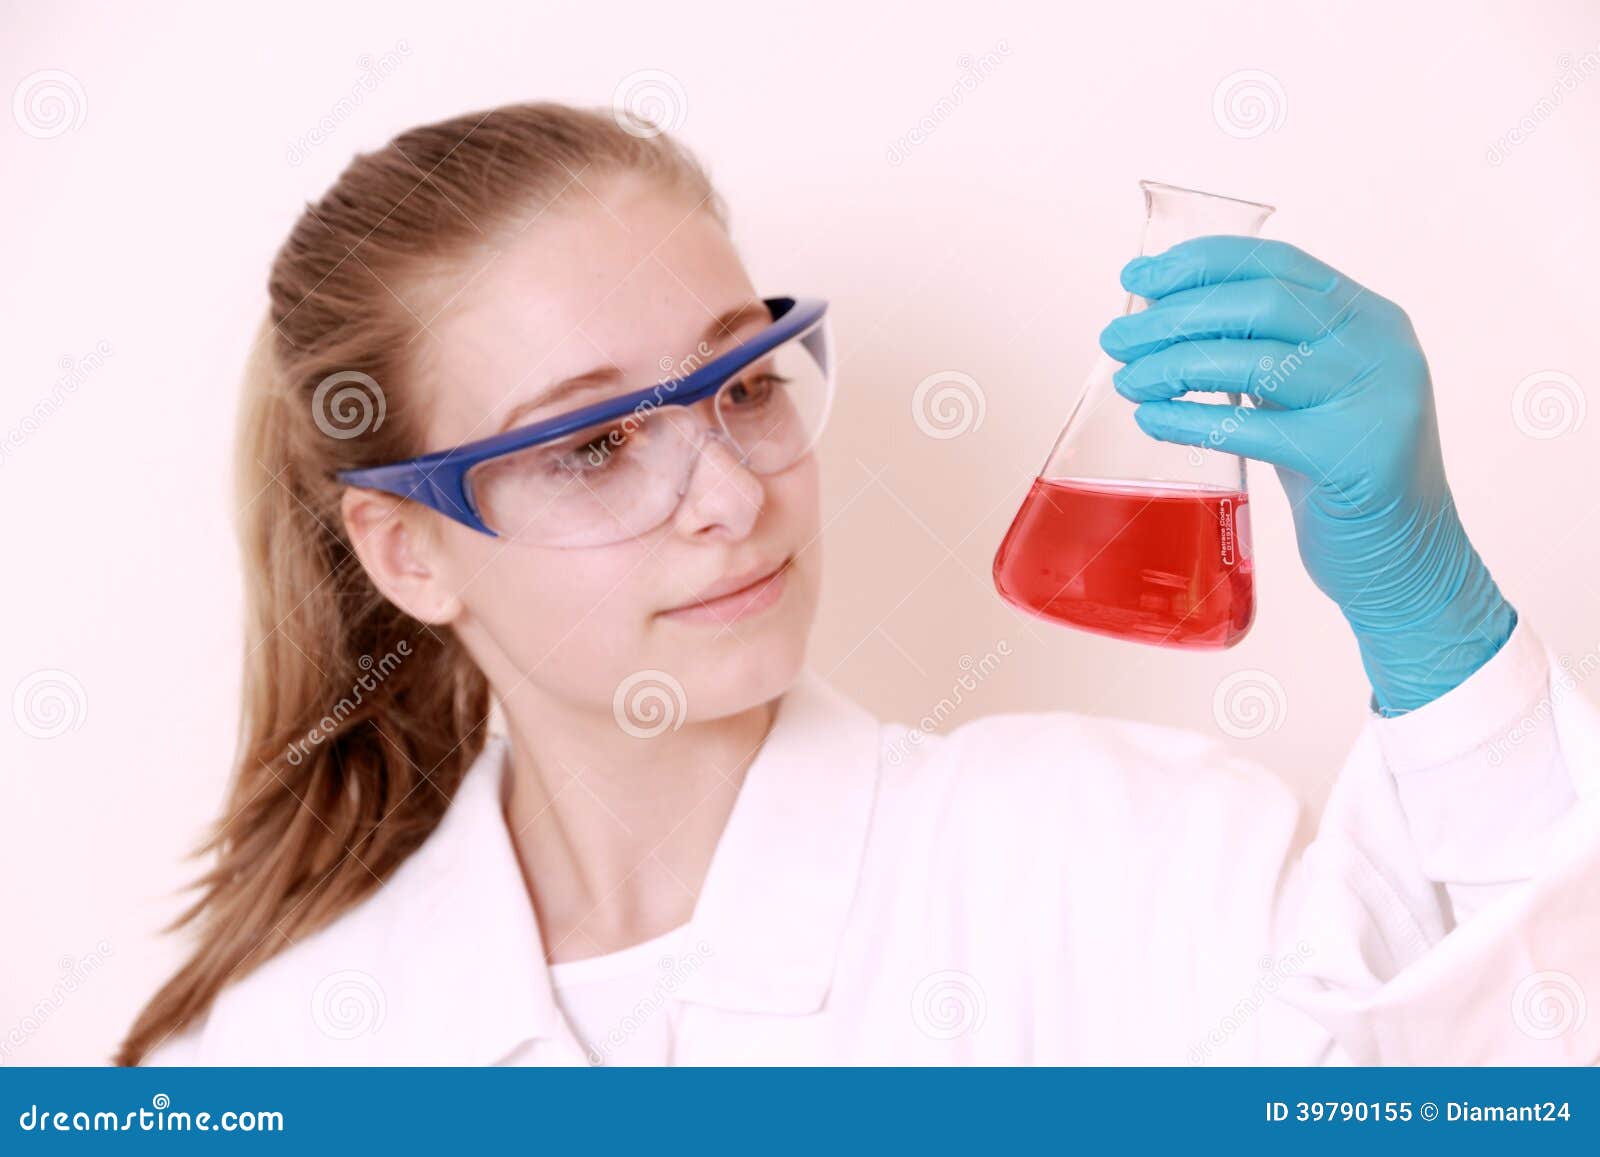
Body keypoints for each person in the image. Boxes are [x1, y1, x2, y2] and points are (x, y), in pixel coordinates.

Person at [120, 102, 1596, 1067]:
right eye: (591, 445)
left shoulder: (1119, 862)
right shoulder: (281, 1048)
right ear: (408, 548)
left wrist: (1435, 625)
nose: (730, 492)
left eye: (742, 384)